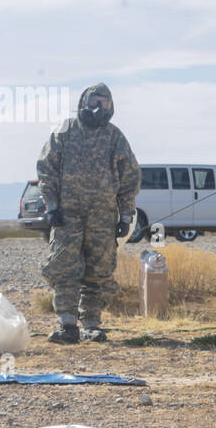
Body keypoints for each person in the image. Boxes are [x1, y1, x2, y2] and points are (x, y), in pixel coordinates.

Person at [36, 83, 140, 344]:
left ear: (110, 106)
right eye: (93, 101)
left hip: (103, 217)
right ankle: (67, 325)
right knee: (64, 267)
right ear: (83, 101)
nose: (97, 107)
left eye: (103, 103)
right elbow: (46, 168)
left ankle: (92, 325)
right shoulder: (65, 131)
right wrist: (51, 206)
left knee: (99, 270)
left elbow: (130, 176)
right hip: (67, 214)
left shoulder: (114, 137)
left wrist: (125, 216)